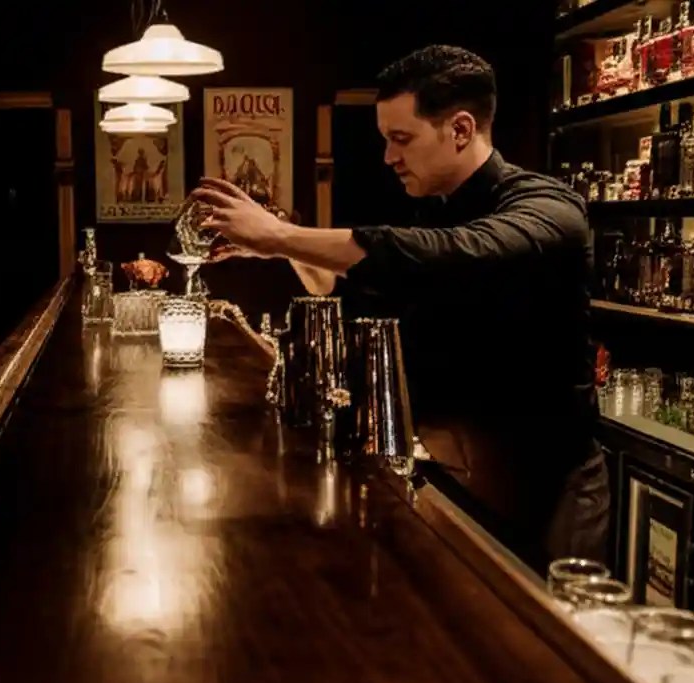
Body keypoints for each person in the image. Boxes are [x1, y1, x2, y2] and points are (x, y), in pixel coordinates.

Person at [192, 45, 608, 570]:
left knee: (545, 645)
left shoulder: (548, 209)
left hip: (546, 488)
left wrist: (281, 233)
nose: (389, 156)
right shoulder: (432, 207)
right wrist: (280, 247)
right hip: (457, 473)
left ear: (460, 129)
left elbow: (448, 258)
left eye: (401, 139)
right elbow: (346, 286)